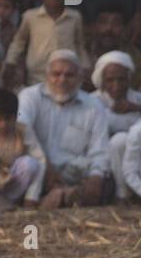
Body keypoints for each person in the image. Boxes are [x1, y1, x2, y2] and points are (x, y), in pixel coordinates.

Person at [16, 50, 111, 209]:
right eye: (56, 74)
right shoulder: (29, 96)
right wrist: (45, 164)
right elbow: (22, 127)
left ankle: (63, 196)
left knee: (103, 181)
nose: (62, 80)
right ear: (47, 77)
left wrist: (96, 176)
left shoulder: (94, 106)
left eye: (69, 75)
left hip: (73, 173)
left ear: (80, 78)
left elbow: (100, 149)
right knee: (27, 165)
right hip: (38, 169)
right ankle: (57, 197)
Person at [3, 0, 86, 88]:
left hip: (66, 74)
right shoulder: (30, 17)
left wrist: (85, 66)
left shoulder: (75, 17)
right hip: (38, 75)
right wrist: (10, 61)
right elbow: (19, 42)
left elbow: (80, 44)